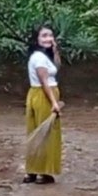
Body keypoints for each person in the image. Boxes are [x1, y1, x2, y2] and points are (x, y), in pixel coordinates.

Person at [23, 24, 63, 184]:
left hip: (37, 94)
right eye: (44, 36)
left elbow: (56, 68)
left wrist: (55, 51)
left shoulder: (42, 56)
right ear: (37, 39)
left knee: (36, 131)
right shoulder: (39, 58)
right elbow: (44, 81)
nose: (48, 39)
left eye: (50, 35)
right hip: (44, 94)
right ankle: (43, 172)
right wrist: (54, 102)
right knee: (47, 133)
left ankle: (32, 171)